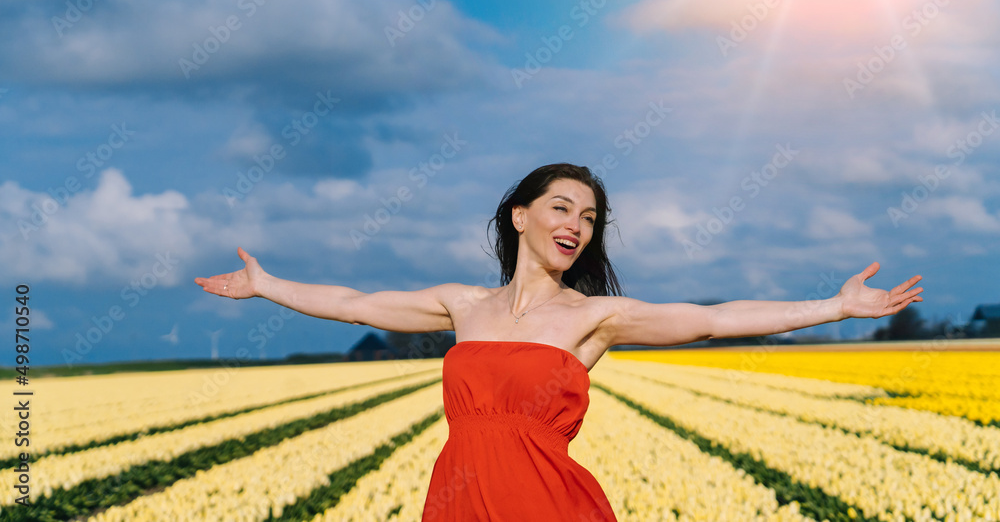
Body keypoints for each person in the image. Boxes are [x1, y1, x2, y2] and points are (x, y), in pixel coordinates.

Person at [195, 162, 924, 521]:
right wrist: (268, 285)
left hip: (545, 503)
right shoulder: (463, 304)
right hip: (457, 501)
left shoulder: (594, 317)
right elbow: (355, 304)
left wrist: (831, 305)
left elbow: (712, 317)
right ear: (520, 216)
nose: (576, 222)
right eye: (561, 206)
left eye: (590, 216)